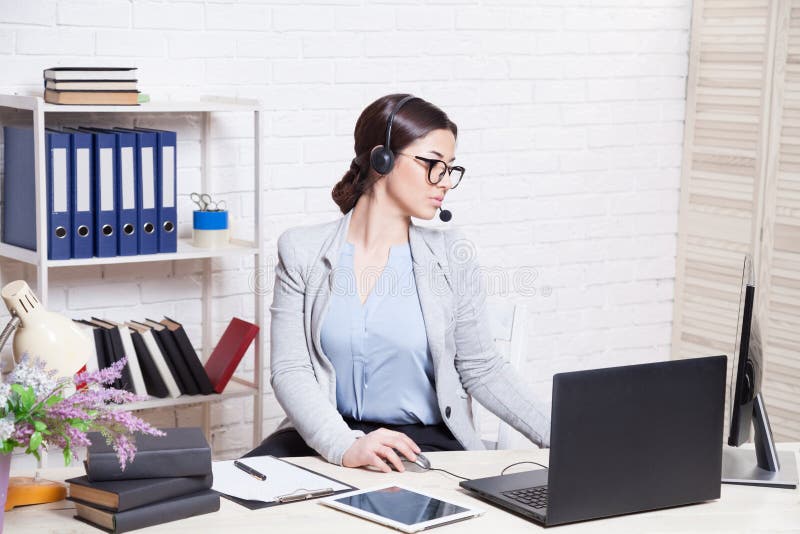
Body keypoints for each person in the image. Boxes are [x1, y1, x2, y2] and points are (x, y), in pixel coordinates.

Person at [243, 94, 550, 473]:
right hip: (325, 436)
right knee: (228, 502)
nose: (444, 182)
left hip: (423, 444)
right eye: (432, 164)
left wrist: (567, 435)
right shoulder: (302, 250)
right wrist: (344, 446)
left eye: (450, 168)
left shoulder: (452, 255)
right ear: (381, 159)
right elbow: (290, 369)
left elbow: (481, 367)